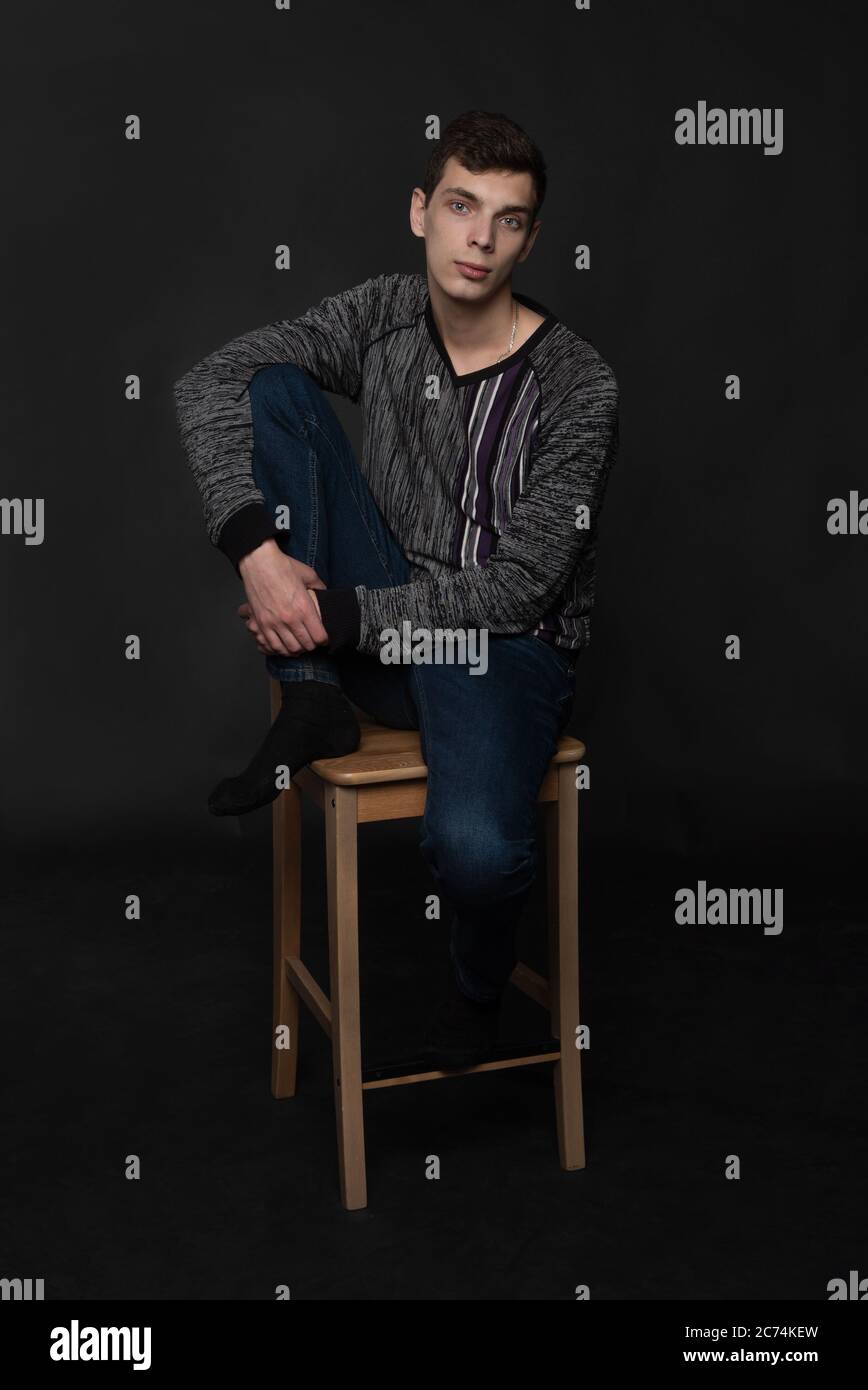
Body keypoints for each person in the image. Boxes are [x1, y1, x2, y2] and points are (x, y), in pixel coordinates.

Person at [172, 109, 620, 1069]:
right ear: (421, 211)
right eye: (461, 206)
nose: (479, 238)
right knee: (273, 386)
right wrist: (256, 554)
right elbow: (211, 381)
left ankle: (478, 987)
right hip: (377, 638)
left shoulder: (579, 384)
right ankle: (314, 698)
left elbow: (519, 589)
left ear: (530, 239)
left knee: (479, 856)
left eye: (506, 219)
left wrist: (333, 615)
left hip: (501, 650)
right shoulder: (384, 315)